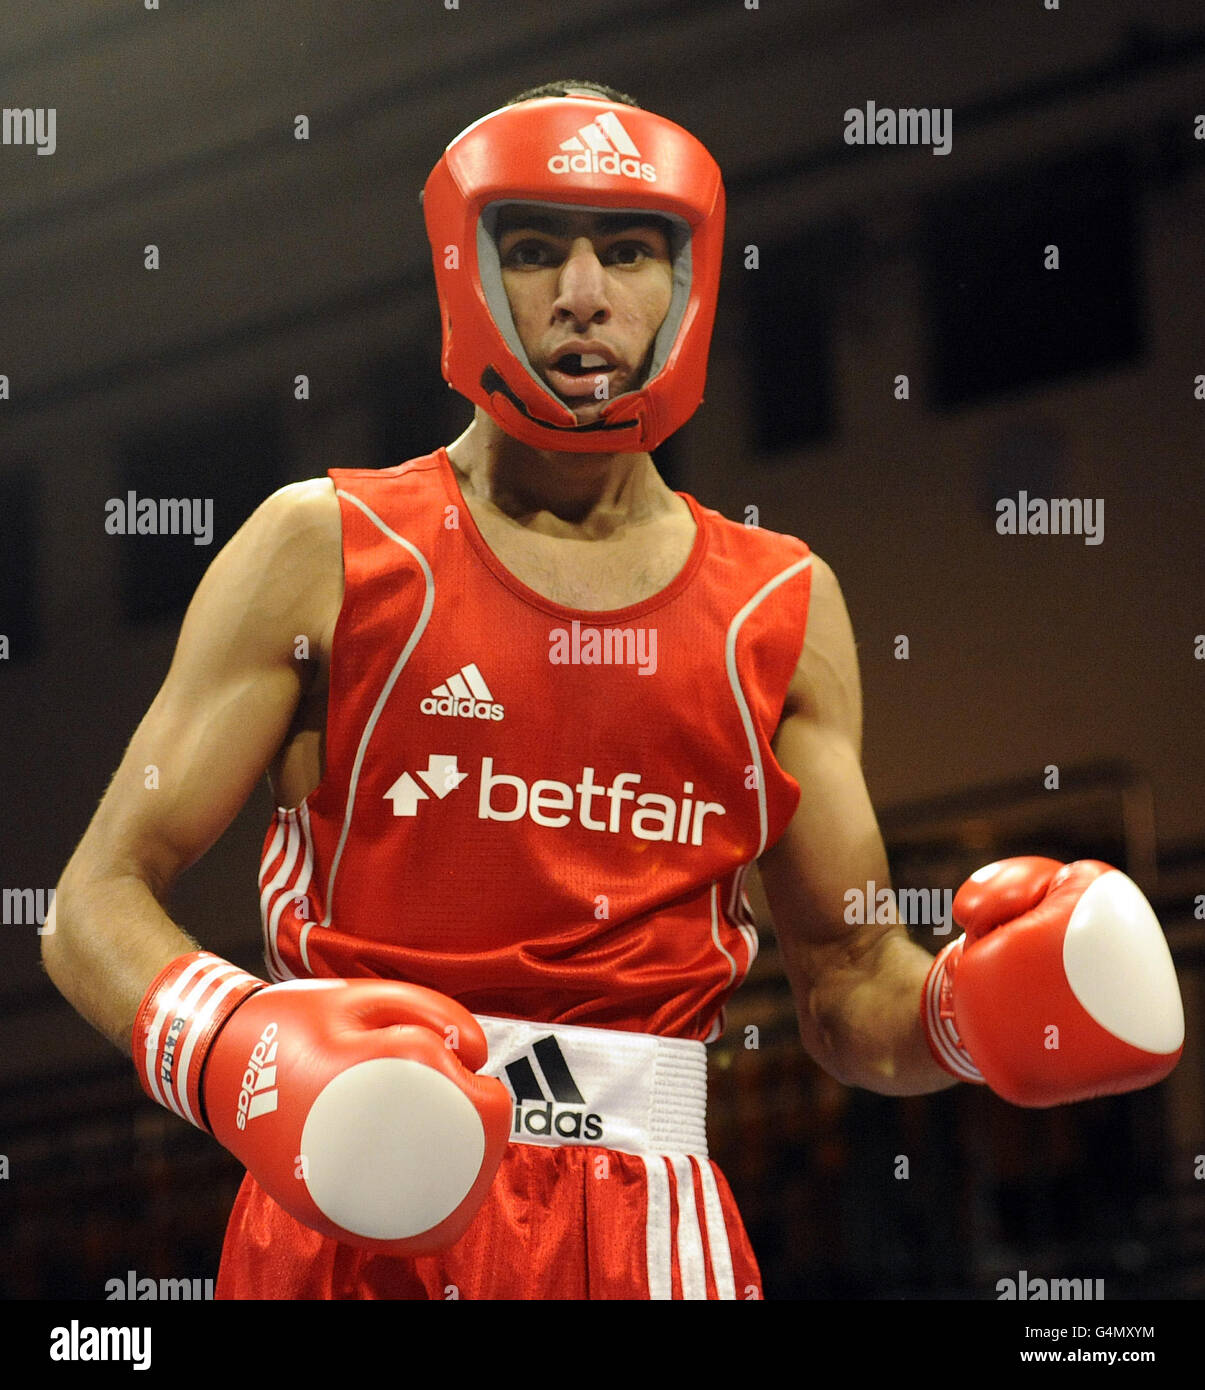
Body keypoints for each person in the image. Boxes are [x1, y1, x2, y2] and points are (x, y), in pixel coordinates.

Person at [42, 81, 1185, 1301]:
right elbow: (91, 903)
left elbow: (853, 984)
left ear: (685, 284)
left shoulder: (777, 610)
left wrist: (974, 1010)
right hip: (355, 1195)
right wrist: (233, 1047)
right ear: (465, 270)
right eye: (534, 250)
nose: (582, 293)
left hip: (654, 1222)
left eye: (627, 250)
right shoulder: (326, 548)